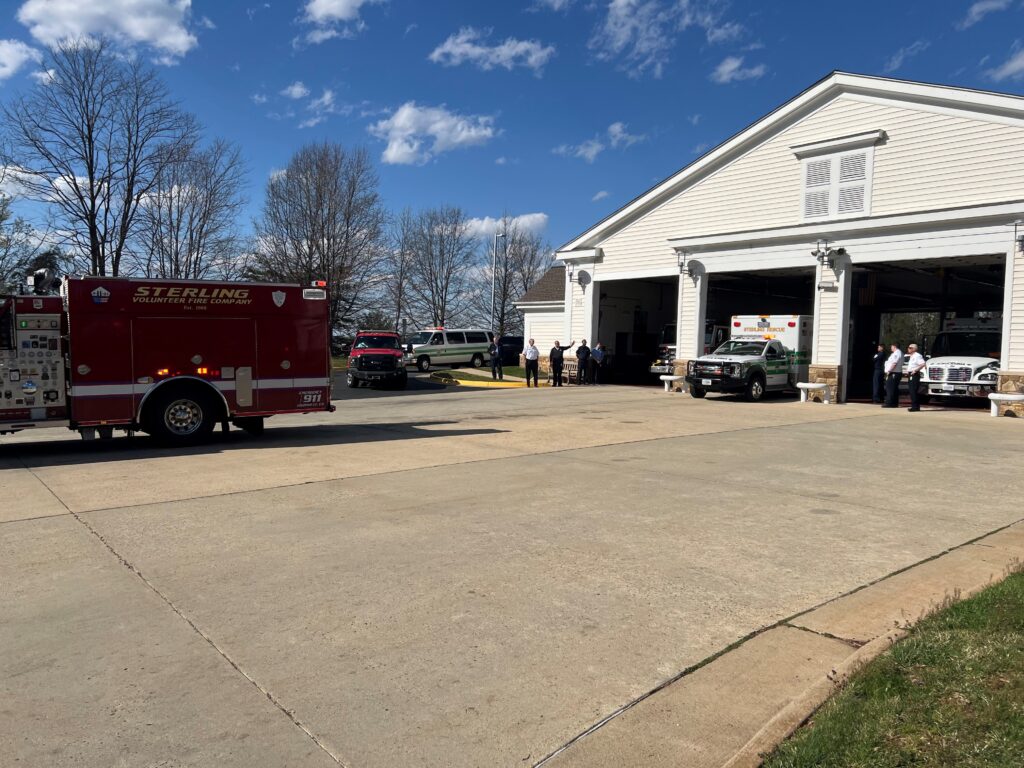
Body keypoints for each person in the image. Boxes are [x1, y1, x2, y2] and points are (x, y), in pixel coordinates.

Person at [905, 343, 926, 412]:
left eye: (910, 348)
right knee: (912, 391)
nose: (908, 349)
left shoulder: (917, 356)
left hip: (914, 374)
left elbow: (923, 364)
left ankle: (915, 407)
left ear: (914, 349)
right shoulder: (911, 356)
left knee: (913, 391)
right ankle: (915, 406)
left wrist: (915, 370)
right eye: (908, 347)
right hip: (910, 374)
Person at [882, 342, 904, 408]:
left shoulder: (897, 353)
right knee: (894, 388)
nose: (891, 348)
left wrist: (889, 371)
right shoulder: (897, 353)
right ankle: (894, 403)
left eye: (891, 347)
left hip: (893, 373)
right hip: (895, 372)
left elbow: (894, 363)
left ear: (894, 346)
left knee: (890, 388)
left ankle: (889, 403)